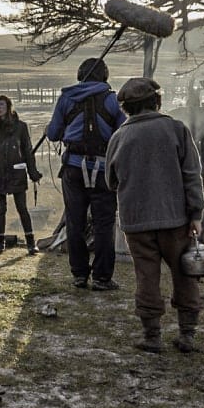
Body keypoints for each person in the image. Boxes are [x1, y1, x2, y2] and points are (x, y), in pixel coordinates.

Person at [105, 78, 204, 353]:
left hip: (136, 221)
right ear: (156, 101)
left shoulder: (118, 137)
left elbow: (110, 182)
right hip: (176, 219)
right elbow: (191, 176)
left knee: (146, 277)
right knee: (184, 276)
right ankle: (187, 334)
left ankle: (151, 336)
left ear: (126, 107)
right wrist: (196, 213)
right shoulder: (176, 129)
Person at [45, 57, 127, 290]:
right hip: (103, 169)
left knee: (75, 221)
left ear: (81, 75)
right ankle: (102, 278)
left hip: (73, 167)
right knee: (104, 223)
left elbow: (53, 134)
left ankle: (79, 274)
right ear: (104, 75)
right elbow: (123, 133)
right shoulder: (112, 100)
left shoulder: (67, 98)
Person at [0, 94, 42, 255]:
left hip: (16, 173)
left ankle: (30, 243)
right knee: (0, 210)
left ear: (8, 107)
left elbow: (28, 152)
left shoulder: (20, 127)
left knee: (22, 208)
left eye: (2, 105)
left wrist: (33, 173)